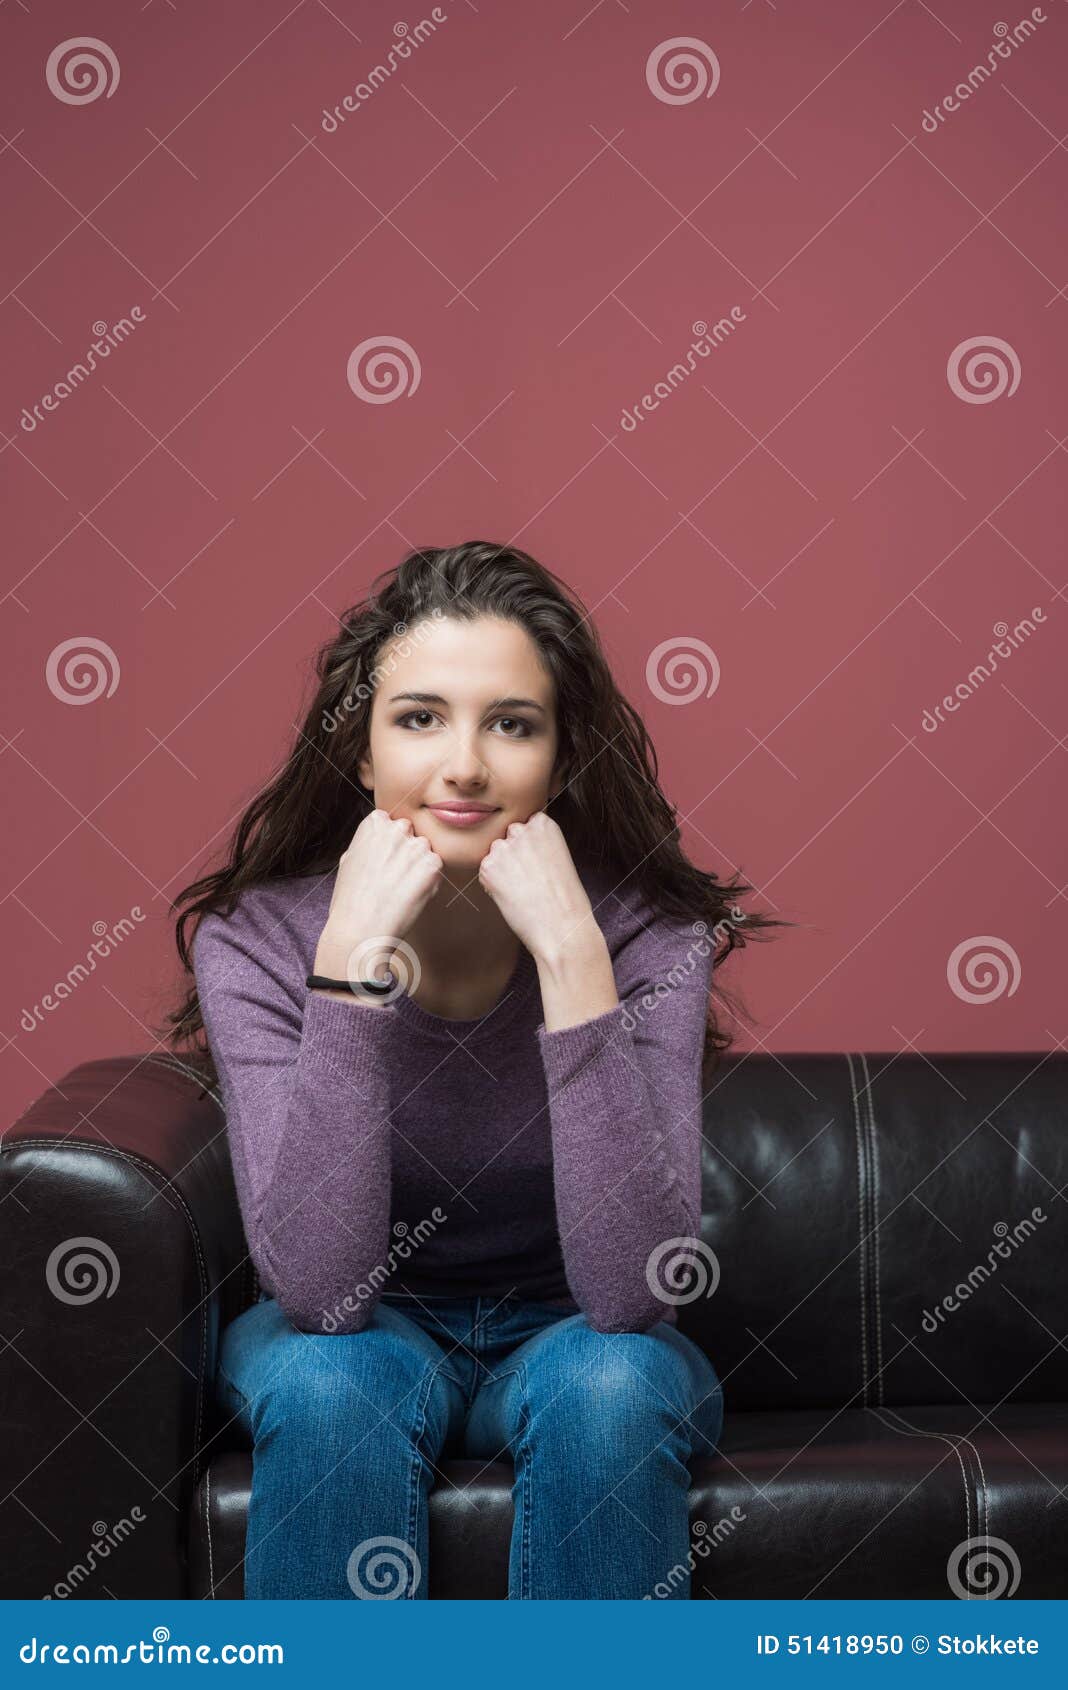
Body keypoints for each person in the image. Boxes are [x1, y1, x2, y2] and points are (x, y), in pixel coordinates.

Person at [162, 539, 787, 1599]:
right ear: (360, 754)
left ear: (559, 755)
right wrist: (351, 977)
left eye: (512, 722)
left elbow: (635, 1295)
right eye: (419, 718)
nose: (465, 763)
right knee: (328, 1384)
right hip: (367, 1329)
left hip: (571, 1330)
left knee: (614, 1384)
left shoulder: (645, 938)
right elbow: (317, 1292)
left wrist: (574, 963)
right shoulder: (258, 940)